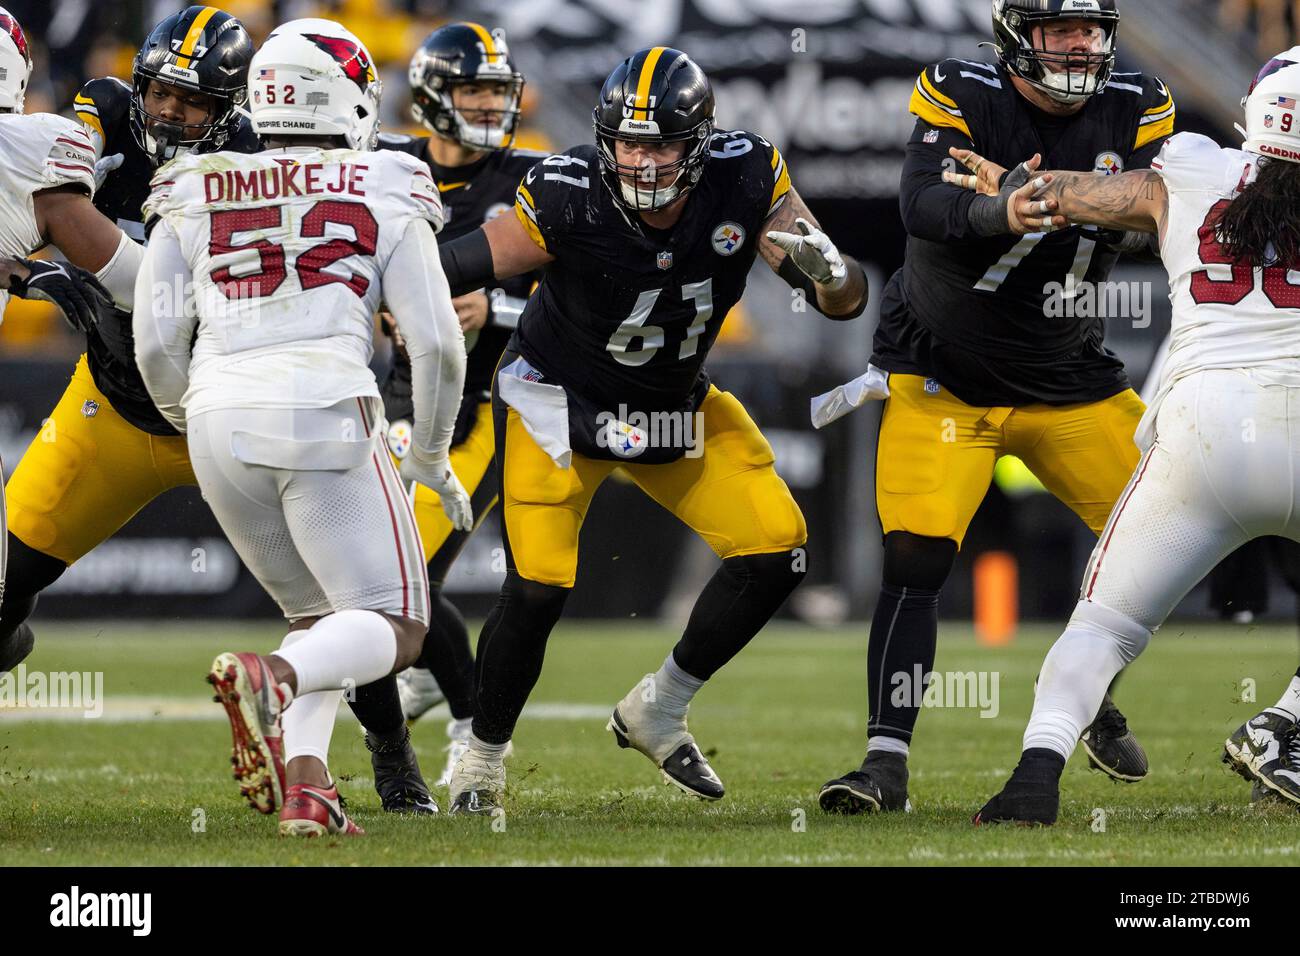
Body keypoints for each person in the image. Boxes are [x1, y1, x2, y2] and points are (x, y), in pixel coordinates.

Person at [432, 46, 869, 813]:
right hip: (557, 404)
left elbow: (845, 302)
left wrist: (827, 272)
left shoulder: (747, 177)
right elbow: (467, 261)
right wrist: (366, 279)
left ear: (699, 141)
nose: (643, 160)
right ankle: (479, 760)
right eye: (629, 142)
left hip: (672, 404)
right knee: (536, 590)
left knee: (777, 548)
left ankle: (658, 708)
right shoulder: (568, 194)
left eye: (662, 142)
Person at [818, 0, 1175, 816]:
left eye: (1092, 28)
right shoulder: (963, 90)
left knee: (1166, 543)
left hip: (1070, 378)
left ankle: (1084, 698)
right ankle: (884, 764)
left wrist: (1054, 193)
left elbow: (1159, 220)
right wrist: (1001, 209)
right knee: (915, 560)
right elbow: (920, 206)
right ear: (1019, 34)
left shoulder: (1139, 102)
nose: (1082, 44)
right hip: (945, 374)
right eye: (1063, 30)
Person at [133, 18, 470, 836]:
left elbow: (154, 338)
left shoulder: (193, 182)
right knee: (397, 625)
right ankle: (272, 679)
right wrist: (429, 451)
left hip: (216, 414)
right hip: (322, 406)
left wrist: (196, 412)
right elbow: (436, 344)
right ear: (351, 96)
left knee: (321, 616)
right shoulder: (387, 179)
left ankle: (309, 789)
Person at [953, 48, 1300, 823]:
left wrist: (1010, 184)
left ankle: (1033, 779)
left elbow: (1077, 196)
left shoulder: (1191, 172)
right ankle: (1285, 723)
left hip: (1206, 433)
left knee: (1105, 626)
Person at [0, 5, 255, 672]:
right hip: (113, 407)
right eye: (161, 92)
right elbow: (34, 192)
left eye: (191, 102)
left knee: (351, 595)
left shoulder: (258, 160)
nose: (168, 113)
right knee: (0, 586)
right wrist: (29, 268)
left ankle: (396, 758)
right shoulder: (106, 110)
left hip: (232, 412)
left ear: (226, 108)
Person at [346, 21, 546, 806]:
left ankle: (469, 731)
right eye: (476, 90)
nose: (493, 104)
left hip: (493, 401)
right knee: (378, 585)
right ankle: (428, 712)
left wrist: (493, 307)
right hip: (398, 396)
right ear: (433, 96)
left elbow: (581, 291)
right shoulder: (386, 166)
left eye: (500, 90)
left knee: (405, 584)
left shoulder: (535, 177)